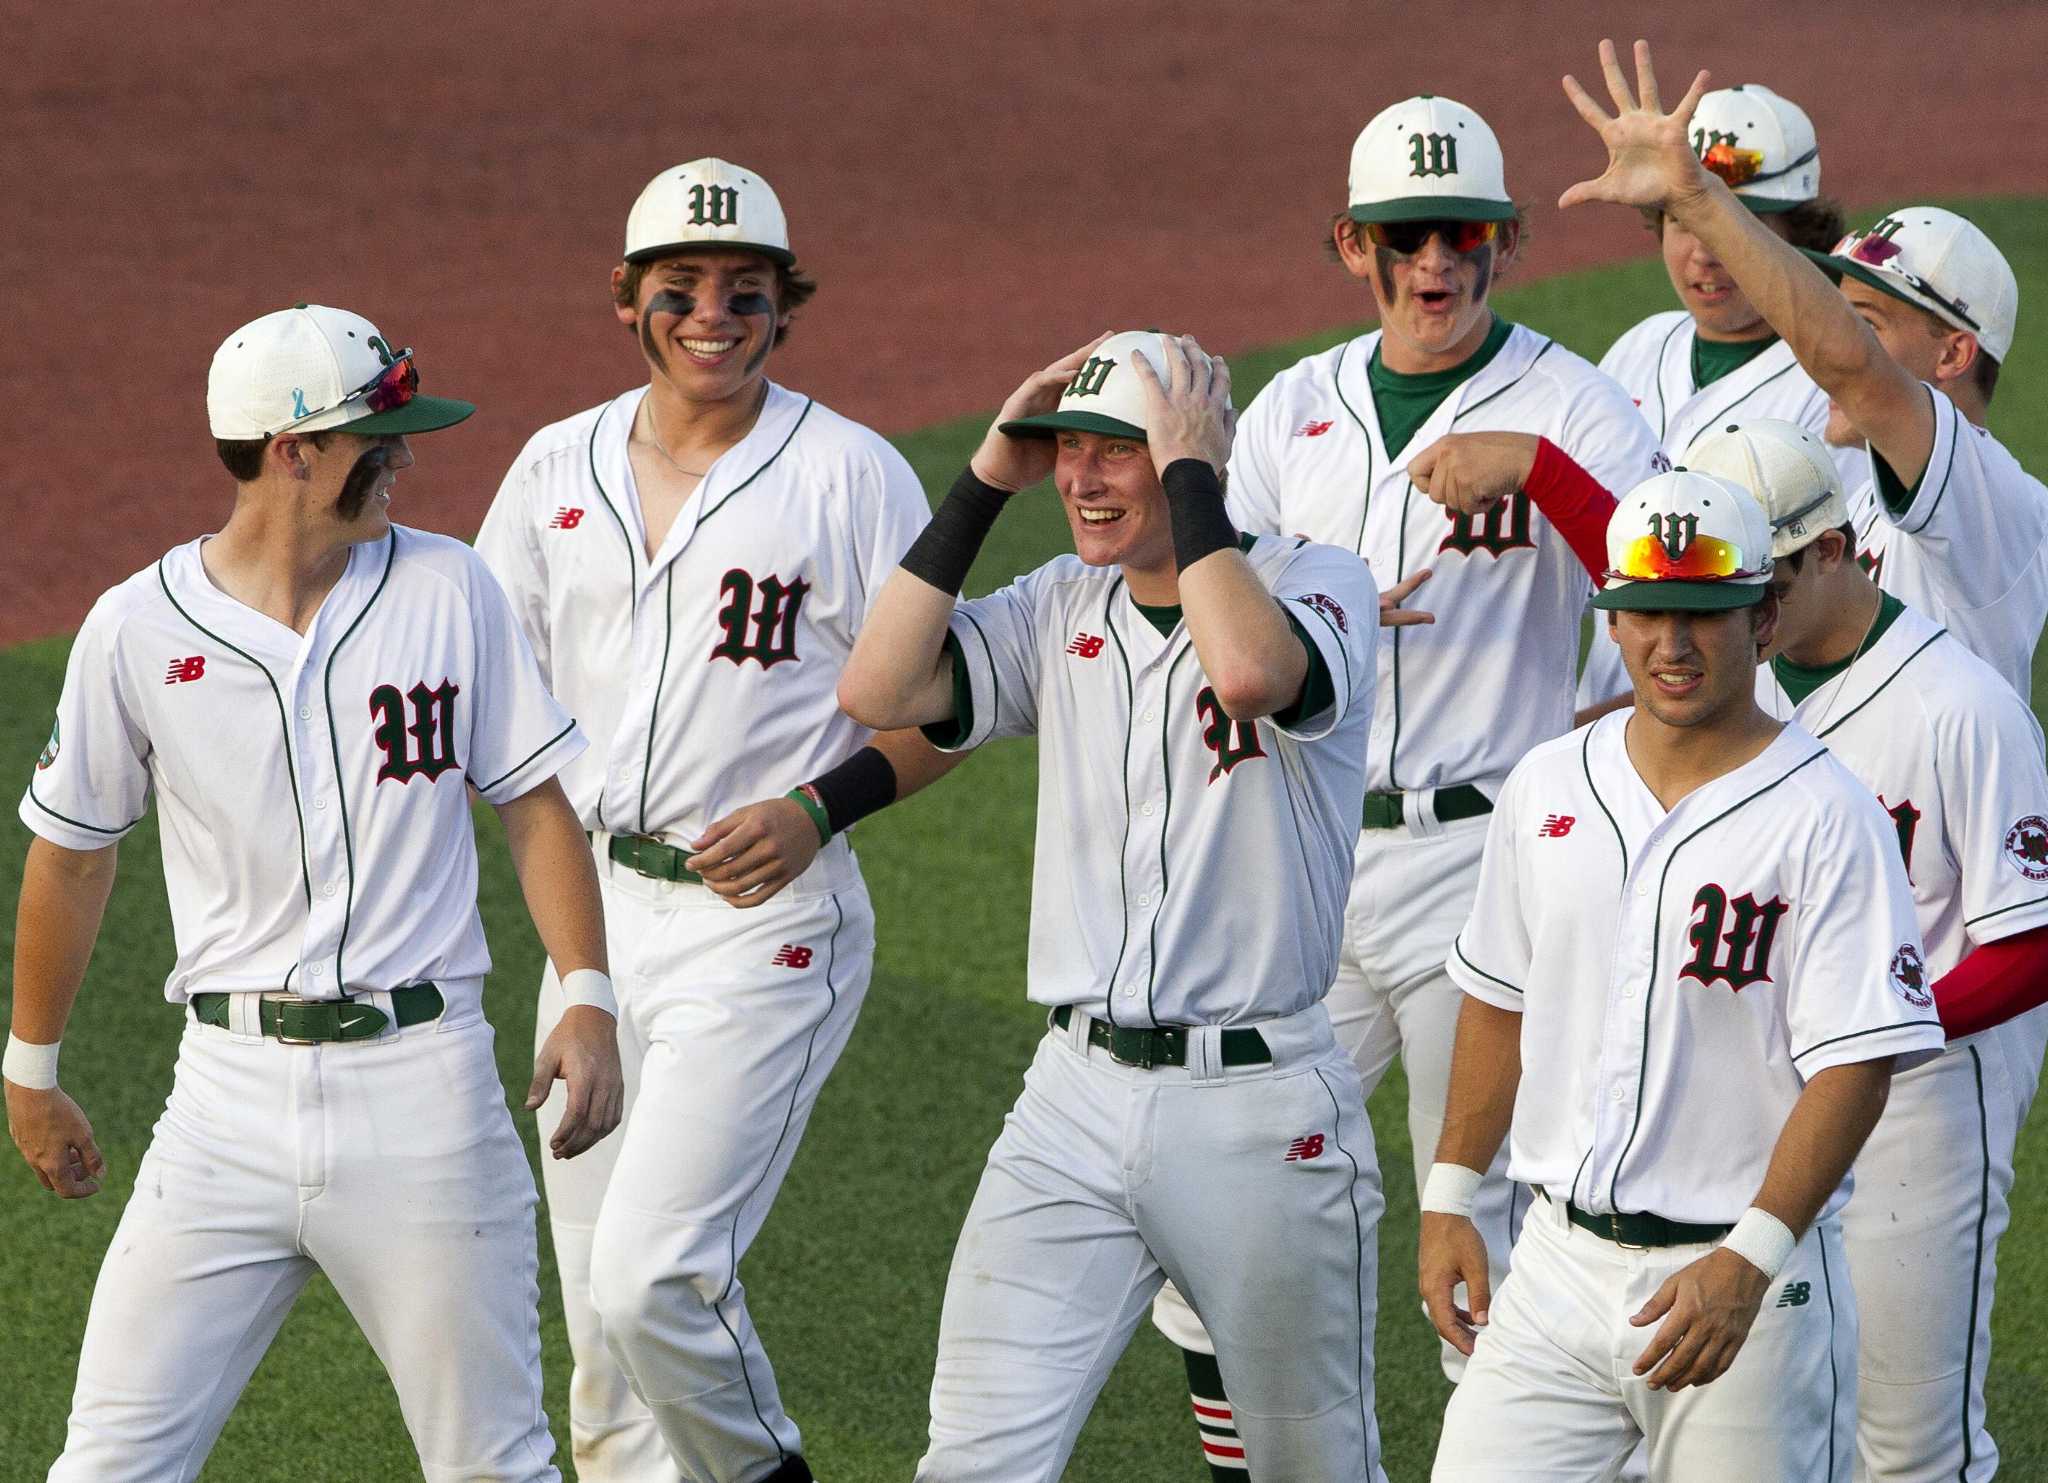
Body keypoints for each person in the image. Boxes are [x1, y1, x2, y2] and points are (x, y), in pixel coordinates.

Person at [8, 303, 623, 1481]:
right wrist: (29, 1067)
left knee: (495, 1463)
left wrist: (587, 992)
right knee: (106, 1466)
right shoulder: (135, 630)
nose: (404, 456)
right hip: (221, 1105)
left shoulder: (450, 588)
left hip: (425, 1095)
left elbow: (533, 799)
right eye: (377, 437)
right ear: (291, 451)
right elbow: (73, 854)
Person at [1146, 92, 1665, 1461]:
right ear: (1350, 248)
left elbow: (1669, 590)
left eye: (1460, 235)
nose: (1434, 264)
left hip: (1482, 862)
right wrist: (1308, 613)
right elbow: (1209, 606)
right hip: (1299, 848)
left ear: (1506, 244)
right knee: (1219, 1200)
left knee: (1475, 1237)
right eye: (1404, 238)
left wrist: (1543, 473)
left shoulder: (1572, 402)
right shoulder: (1294, 410)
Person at [474, 157, 956, 1483]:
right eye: (679, 288)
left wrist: (818, 807)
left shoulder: (851, 474)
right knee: (599, 1346)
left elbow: (948, 706)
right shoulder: (549, 468)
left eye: (746, 291)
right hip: (597, 922)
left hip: (766, 930)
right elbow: (495, 710)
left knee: (654, 1277)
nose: (713, 314)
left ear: (784, 306)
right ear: (625, 299)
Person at [839, 331, 1388, 1481]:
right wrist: (989, 473)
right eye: (1065, 451)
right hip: (1070, 1102)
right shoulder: (1058, 604)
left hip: (1257, 1107)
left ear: (1189, 455)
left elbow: (1243, 674)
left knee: (1311, 1469)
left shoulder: (1315, 581)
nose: (1081, 478)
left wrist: (1192, 473)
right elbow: (876, 687)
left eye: (1117, 451)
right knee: (973, 1457)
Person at [1423, 466, 1944, 1480]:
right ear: (1609, 621)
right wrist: (1448, 1192)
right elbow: (1496, 997)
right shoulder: (1547, 781)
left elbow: (1856, 1064)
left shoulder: (1826, 812)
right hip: (1553, 1270)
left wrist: (1749, 1257)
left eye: (1702, 614)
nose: (1670, 643)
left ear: (1760, 617)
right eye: (1646, 612)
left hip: (1737, 1281)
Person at [1688, 417, 2048, 1480]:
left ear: (1833, 550)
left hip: (1921, 1101)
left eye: (1761, 591)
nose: (1734, 622)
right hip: (1752, 1089)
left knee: (1906, 1444)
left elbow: (2029, 941)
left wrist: (1874, 1034)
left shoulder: (1956, 704)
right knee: (1765, 1411)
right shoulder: (1720, 686)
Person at [1558, 40, 2045, 709]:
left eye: (1865, 325)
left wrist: (1698, 198)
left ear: (1954, 354)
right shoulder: (1877, 501)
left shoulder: (1983, 495)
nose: (1835, 359)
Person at [1575, 81, 1858, 712]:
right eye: (1681, 216)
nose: (1705, 251)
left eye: (1738, 222)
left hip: (1735, 735)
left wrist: (1608, 723)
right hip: (1607, 748)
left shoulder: (1833, 388)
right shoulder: (1639, 349)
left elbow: (1803, 616)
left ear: (1798, 232)